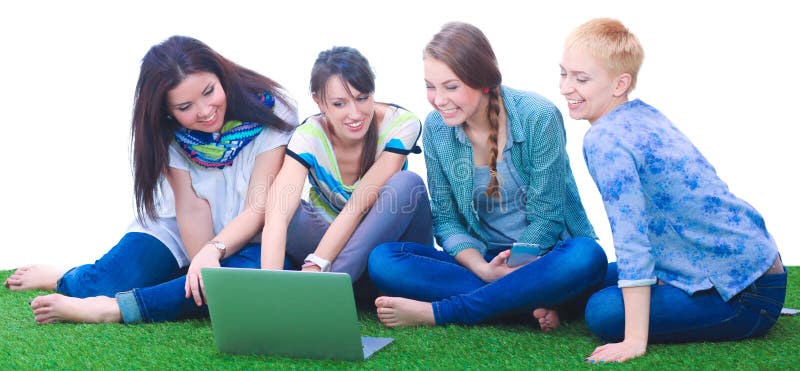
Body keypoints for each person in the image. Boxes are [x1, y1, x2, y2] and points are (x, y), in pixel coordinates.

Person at [4, 35, 297, 323]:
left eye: (209, 91)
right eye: (185, 107)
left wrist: (214, 252)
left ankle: (115, 309)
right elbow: (191, 208)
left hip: (253, 236)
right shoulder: (166, 133)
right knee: (101, 284)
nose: (205, 111)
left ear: (221, 75)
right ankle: (63, 276)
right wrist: (201, 266)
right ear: (167, 111)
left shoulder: (271, 109)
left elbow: (258, 206)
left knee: (254, 273)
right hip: (180, 230)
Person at [559, 18, 787, 363]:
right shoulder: (643, 114)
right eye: (563, 74)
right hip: (754, 263)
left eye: (581, 79)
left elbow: (631, 238)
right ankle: (556, 307)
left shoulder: (604, 141)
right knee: (588, 276)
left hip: (744, 295)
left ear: (620, 84)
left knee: (602, 311)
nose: (565, 88)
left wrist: (634, 339)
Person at [368, 22, 607, 330]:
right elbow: (447, 220)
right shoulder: (437, 129)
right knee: (384, 260)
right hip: (480, 261)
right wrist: (484, 269)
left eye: (450, 87)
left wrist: (515, 266)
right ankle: (532, 301)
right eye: (430, 86)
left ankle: (447, 311)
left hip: (543, 258)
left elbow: (548, 219)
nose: (438, 99)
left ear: (483, 81)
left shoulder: (538, 116)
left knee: (587, 256)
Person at [259, 46, 431, 288]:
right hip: (336, 251)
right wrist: (269, 286)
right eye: (340, 104)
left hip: (387, 249)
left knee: (407, 183)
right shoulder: (309, 136)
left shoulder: (401, 124)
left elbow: (359, 205)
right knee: (282, 207)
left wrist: (317, 263)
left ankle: (324, 289)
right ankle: (332, 283)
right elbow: (277, 216)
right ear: (320, 102)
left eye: (362, 98)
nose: (355, 114)